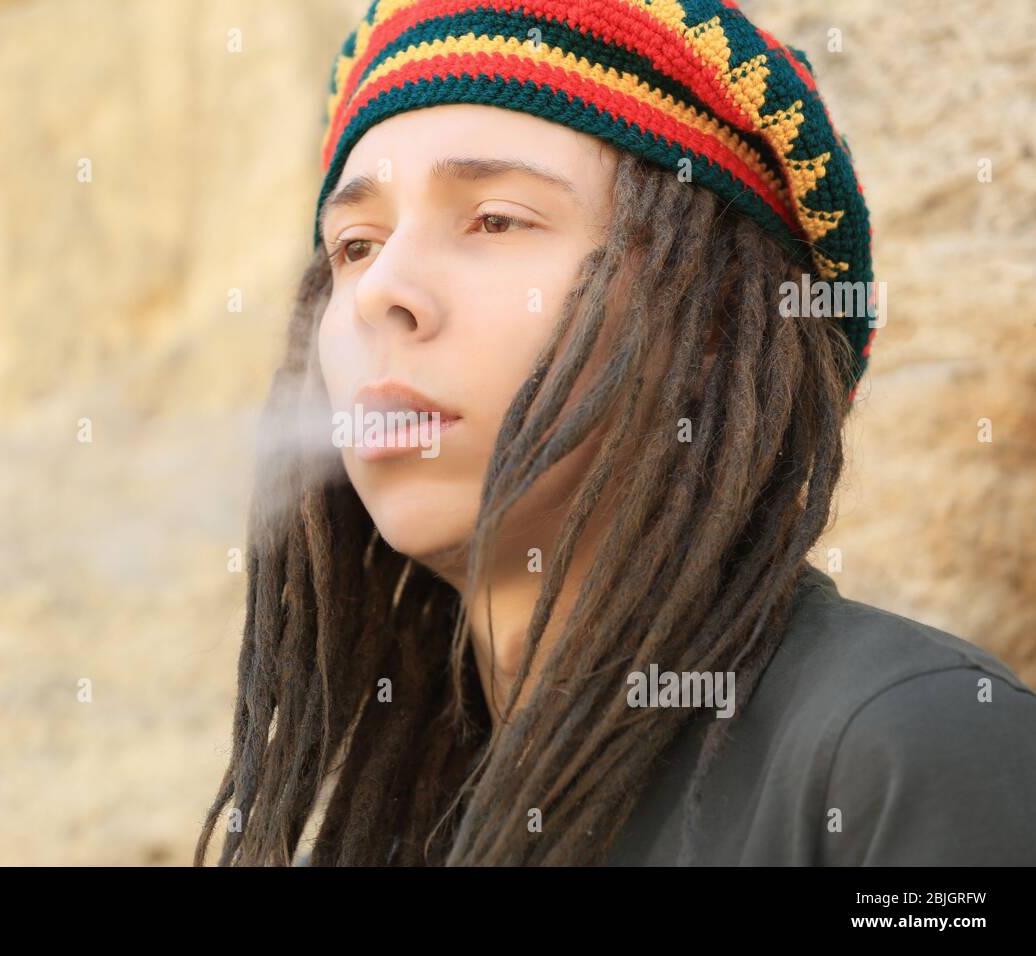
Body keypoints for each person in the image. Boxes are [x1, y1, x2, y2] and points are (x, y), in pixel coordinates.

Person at [196, 0, 1036, 866]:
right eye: (356, 245)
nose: (380, 294)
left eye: (495, 220)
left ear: (712, 321)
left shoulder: (906, 745)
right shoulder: (404, 807)